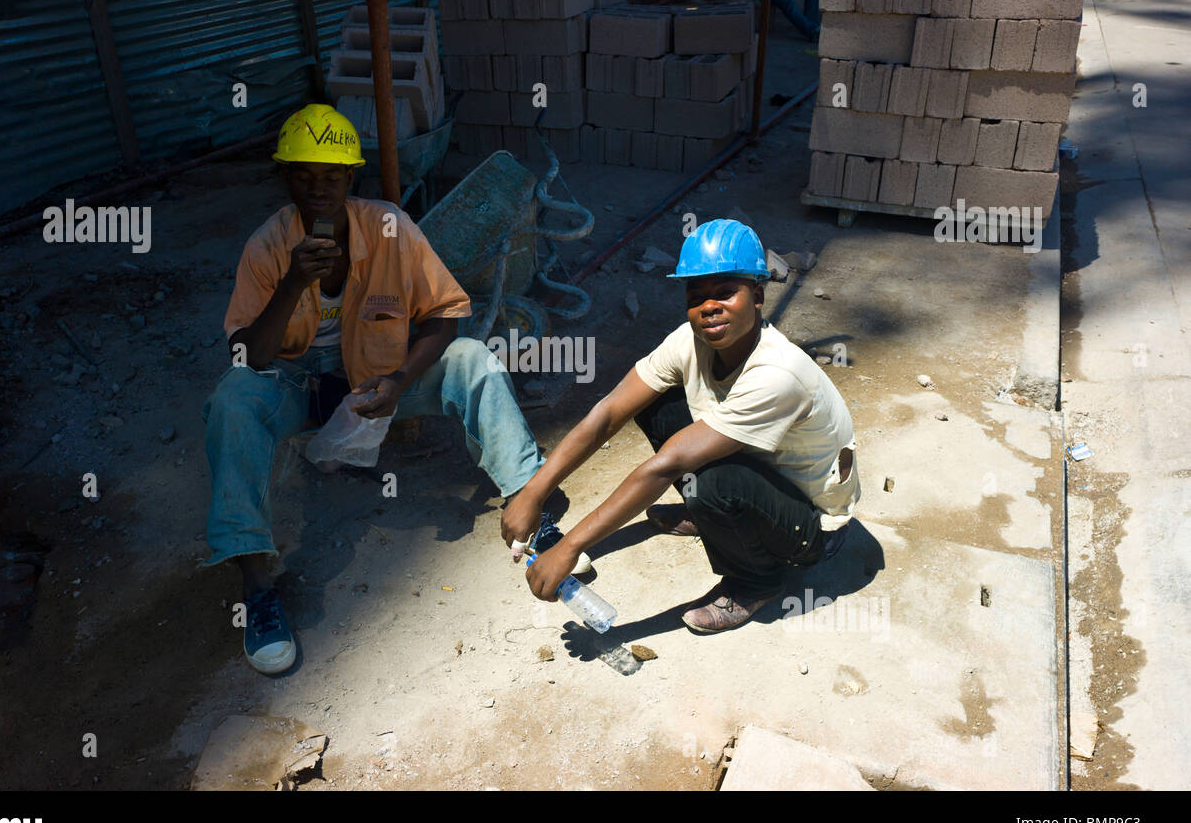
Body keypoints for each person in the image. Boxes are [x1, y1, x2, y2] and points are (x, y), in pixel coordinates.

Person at [203, 103, 546, 674]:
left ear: (351, 180)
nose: (319, 189)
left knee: (473, 361)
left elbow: (445, 316)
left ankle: (531, 502)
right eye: (304, 176)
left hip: (377, 382)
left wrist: (400, 379)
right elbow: (248, 356)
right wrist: (292, 282)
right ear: (286, 178)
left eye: (332, 176)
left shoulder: (388, 226)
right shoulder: (267, 247)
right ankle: (258, 585)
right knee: (232, 398)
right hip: (297, 387)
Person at [501, 219, 861, 634]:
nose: (709, 307)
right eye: (697, 296)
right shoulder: (690, 341)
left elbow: (667, 465)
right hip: (766, 474)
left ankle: (758, 581)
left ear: (758, 296)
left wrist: (569, 547)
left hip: (811, 526)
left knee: (713, 482)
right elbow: (609, 411)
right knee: (656, 405)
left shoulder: (778, 373)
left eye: (726, 292)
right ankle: (716, 516)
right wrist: (534, 490)